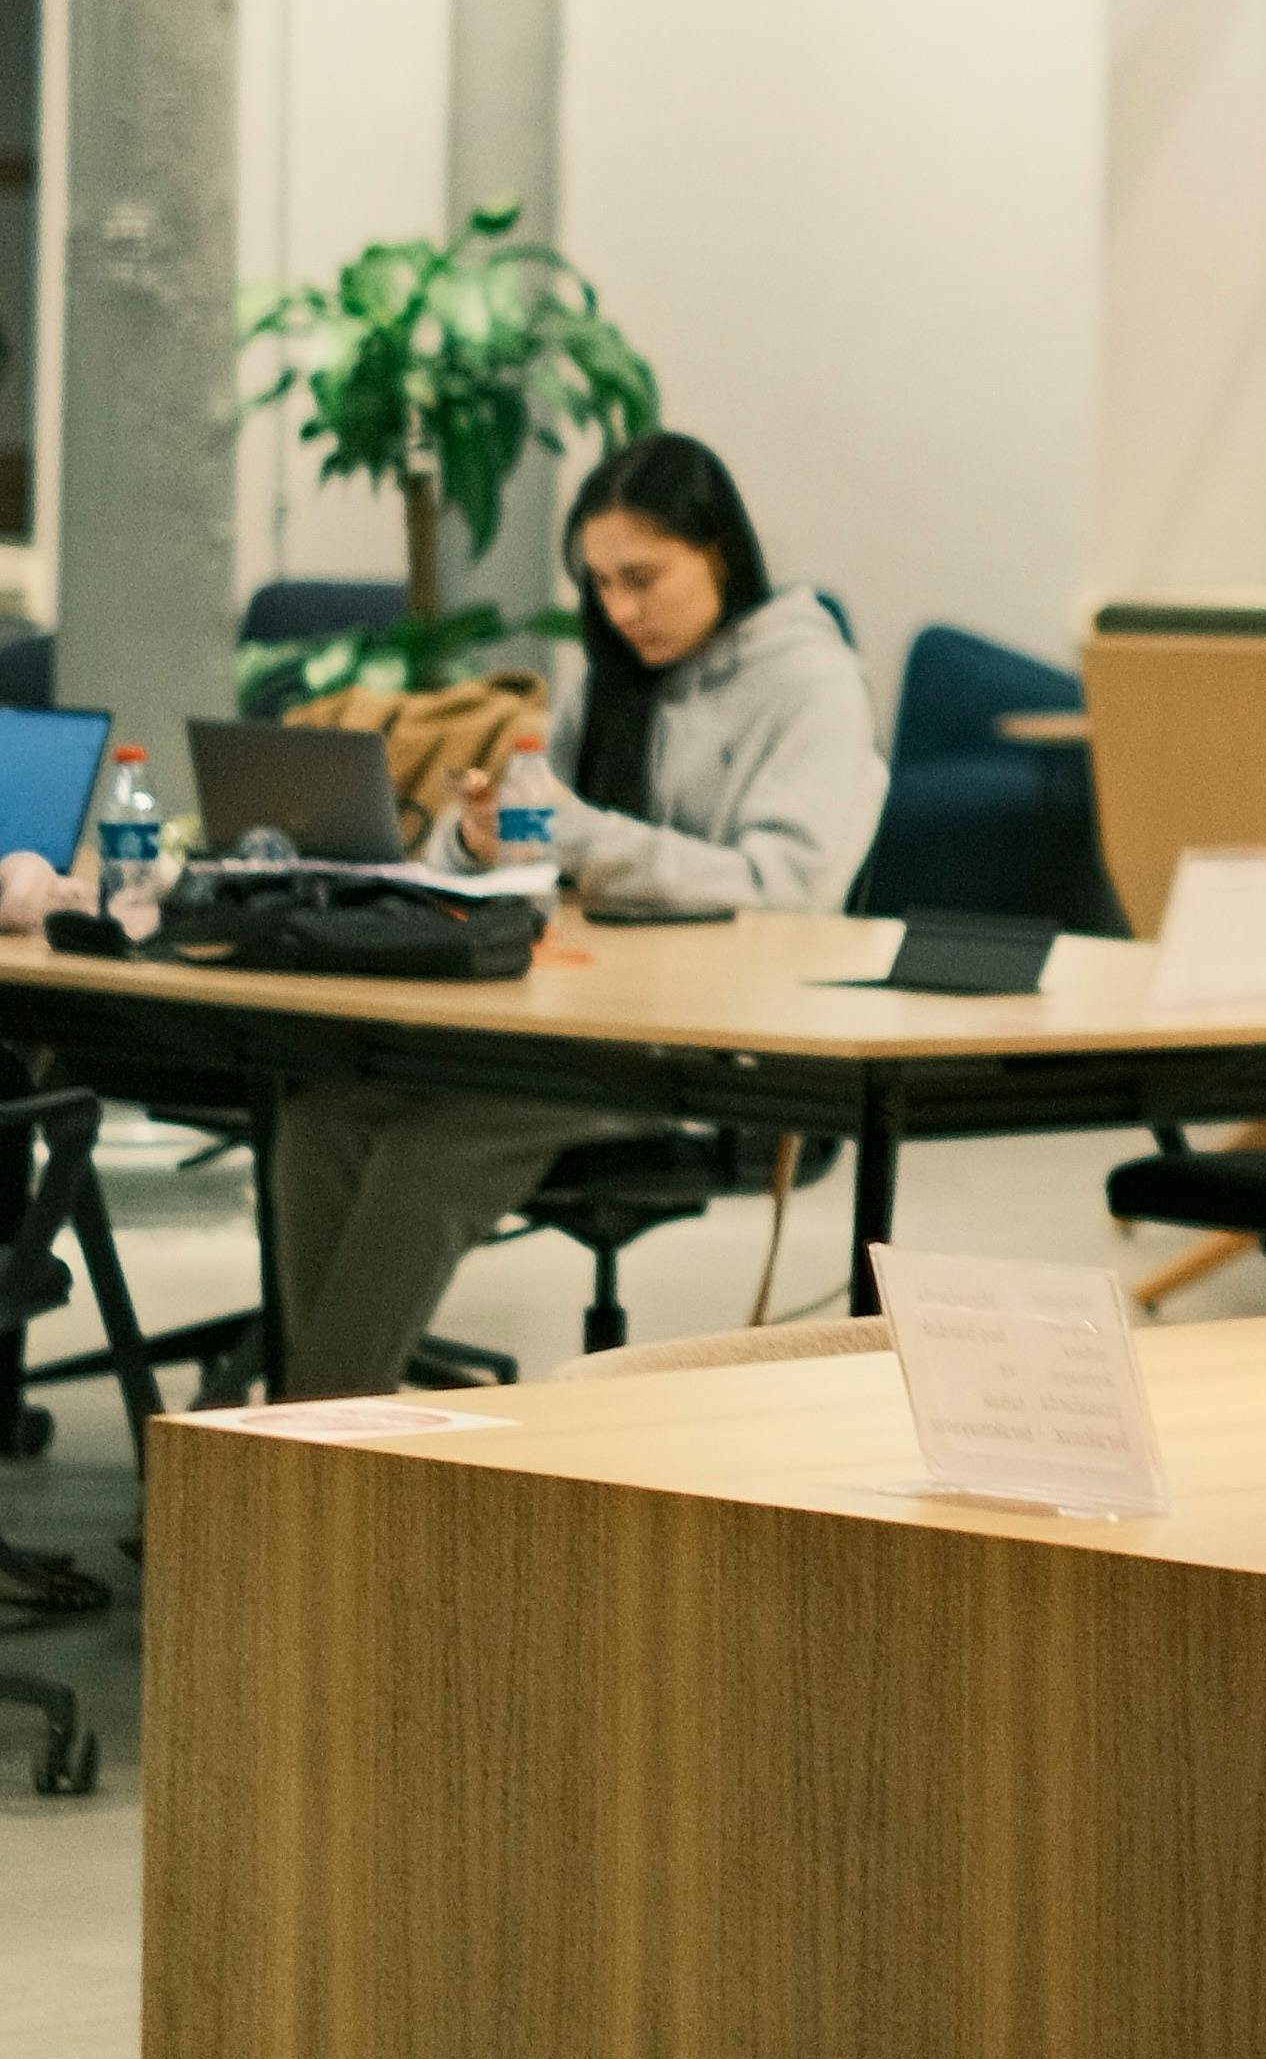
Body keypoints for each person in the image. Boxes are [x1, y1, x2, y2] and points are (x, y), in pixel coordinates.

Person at [268, 432, 884, 1402]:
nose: (619, 609)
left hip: (713, 1048)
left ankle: (306, 1446)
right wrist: (477, 841)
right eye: (599, 584)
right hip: (578, 1026)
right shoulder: (613, 678)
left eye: (643, 577)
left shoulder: (810, 683)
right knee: (320, 1122)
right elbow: (535, 845)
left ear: (719, 549)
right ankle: (325, 1427)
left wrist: (581, 837)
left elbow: (787, 885)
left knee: (432, 1151)